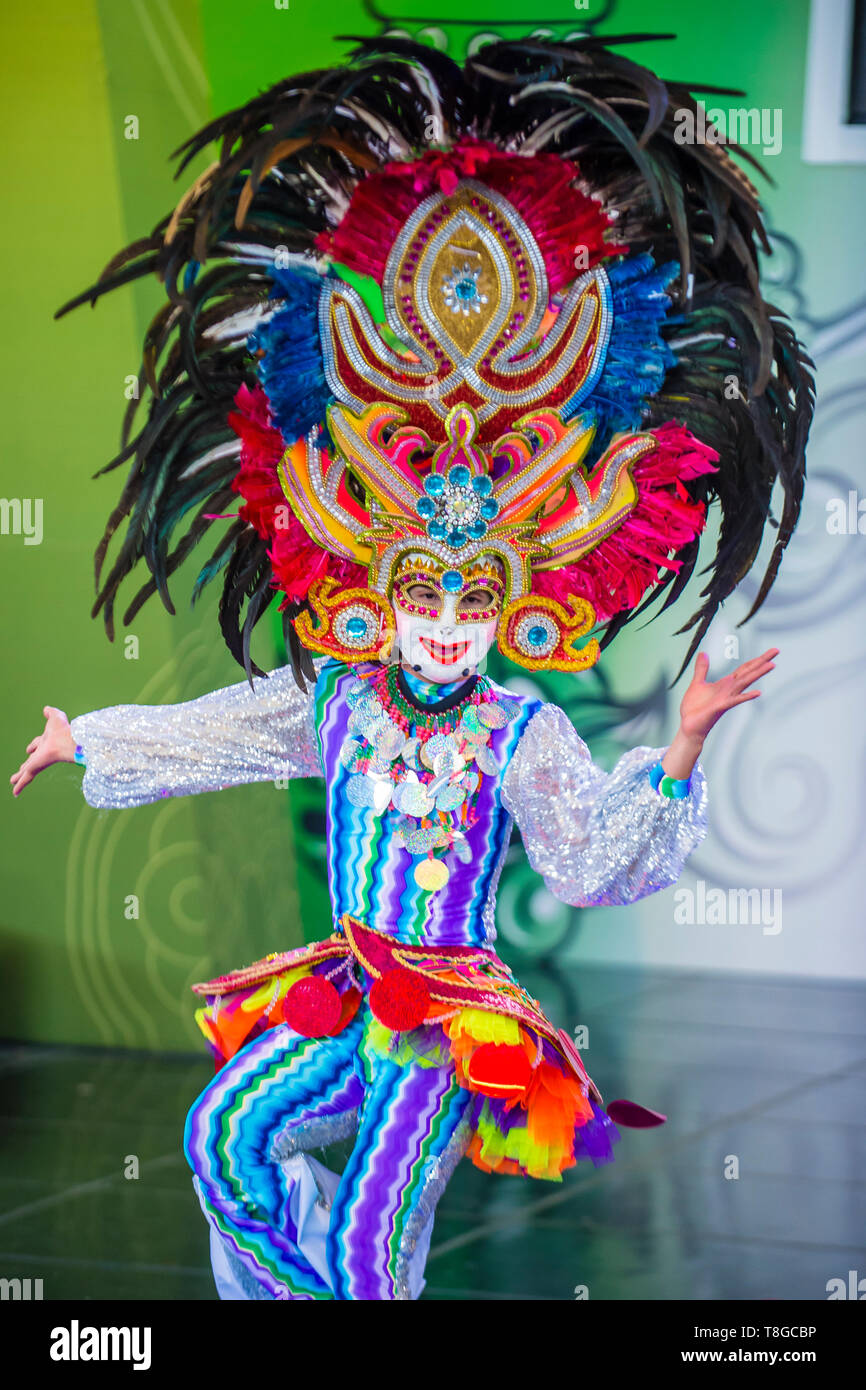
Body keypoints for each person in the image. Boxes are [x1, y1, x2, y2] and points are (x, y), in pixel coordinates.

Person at [10, 33, 811, 1299]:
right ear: (376, 601)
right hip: (335, 996)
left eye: (471, 596)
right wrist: (86, 740)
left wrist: (683, 745)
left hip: (443, 1031)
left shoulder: (514, 728)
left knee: (377, 1245)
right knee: (223, 1140)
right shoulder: (329, 698)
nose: (443, 619)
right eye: (422, 592)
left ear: (509, 611)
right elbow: (219, 733)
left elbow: (590, 854)